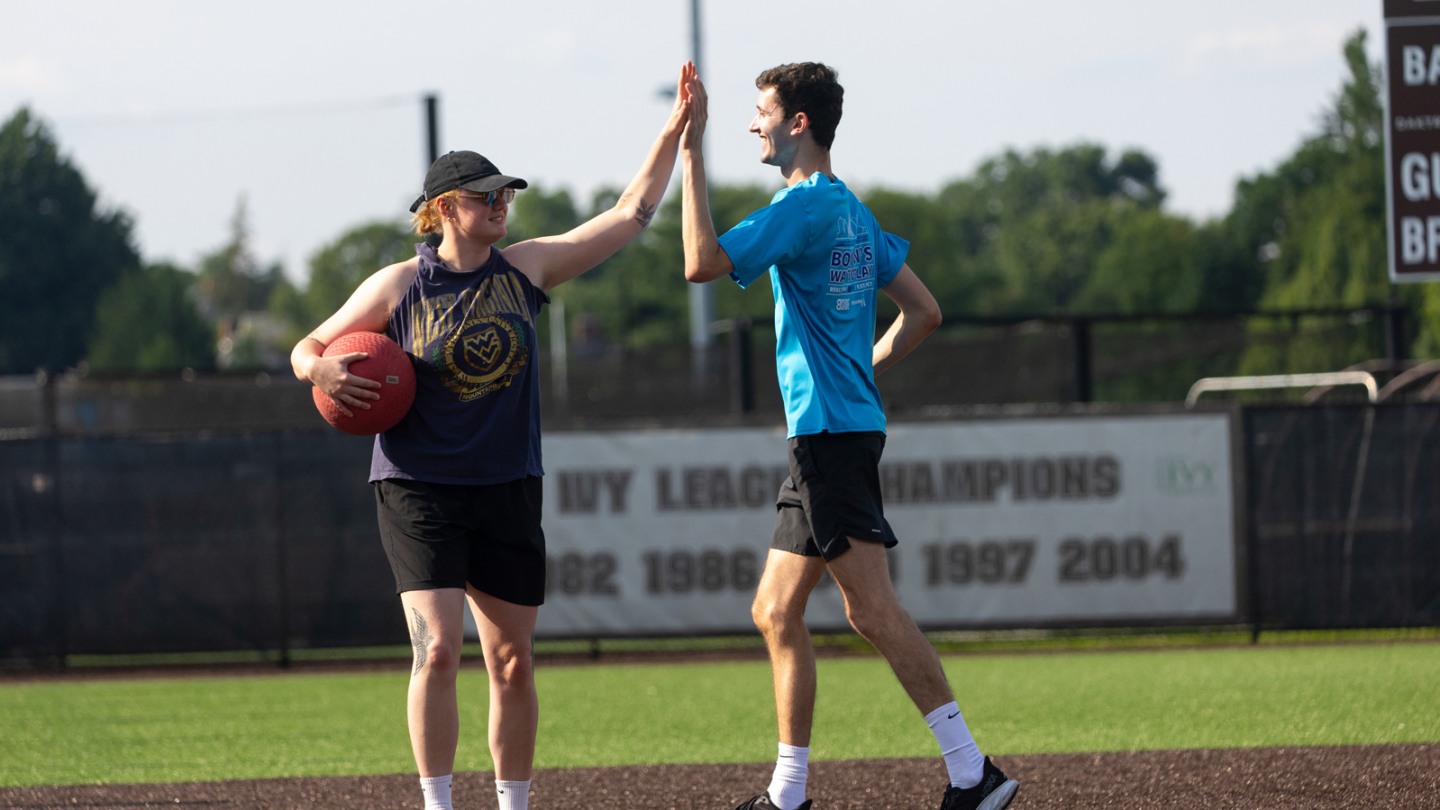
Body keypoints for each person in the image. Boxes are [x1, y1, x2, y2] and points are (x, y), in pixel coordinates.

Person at [290, 63, 695, 810]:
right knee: (439, 648)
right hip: (417, 487)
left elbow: (630, 215)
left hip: (507, 484)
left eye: (506, 193)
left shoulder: (525, 269)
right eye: (486, 195)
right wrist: (320, 371)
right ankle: (439, 803)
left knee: (512, 663)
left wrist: (671, 133)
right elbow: (307, 347)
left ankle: (513, 804)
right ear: (445, 207)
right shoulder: (397, 286)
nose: (502, 204)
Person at [678, 62, 1019, 810]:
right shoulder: (853, 213)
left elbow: (700, 263)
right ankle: (788, 792)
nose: (753, 123)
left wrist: (691, 150)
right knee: (773, 610)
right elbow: (924, 312)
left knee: (871, 610)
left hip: (830, 436)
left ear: (798, 122)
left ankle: (973, 772)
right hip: (831, 433)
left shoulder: (802, 208)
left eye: (761, 110)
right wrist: (861, 368)